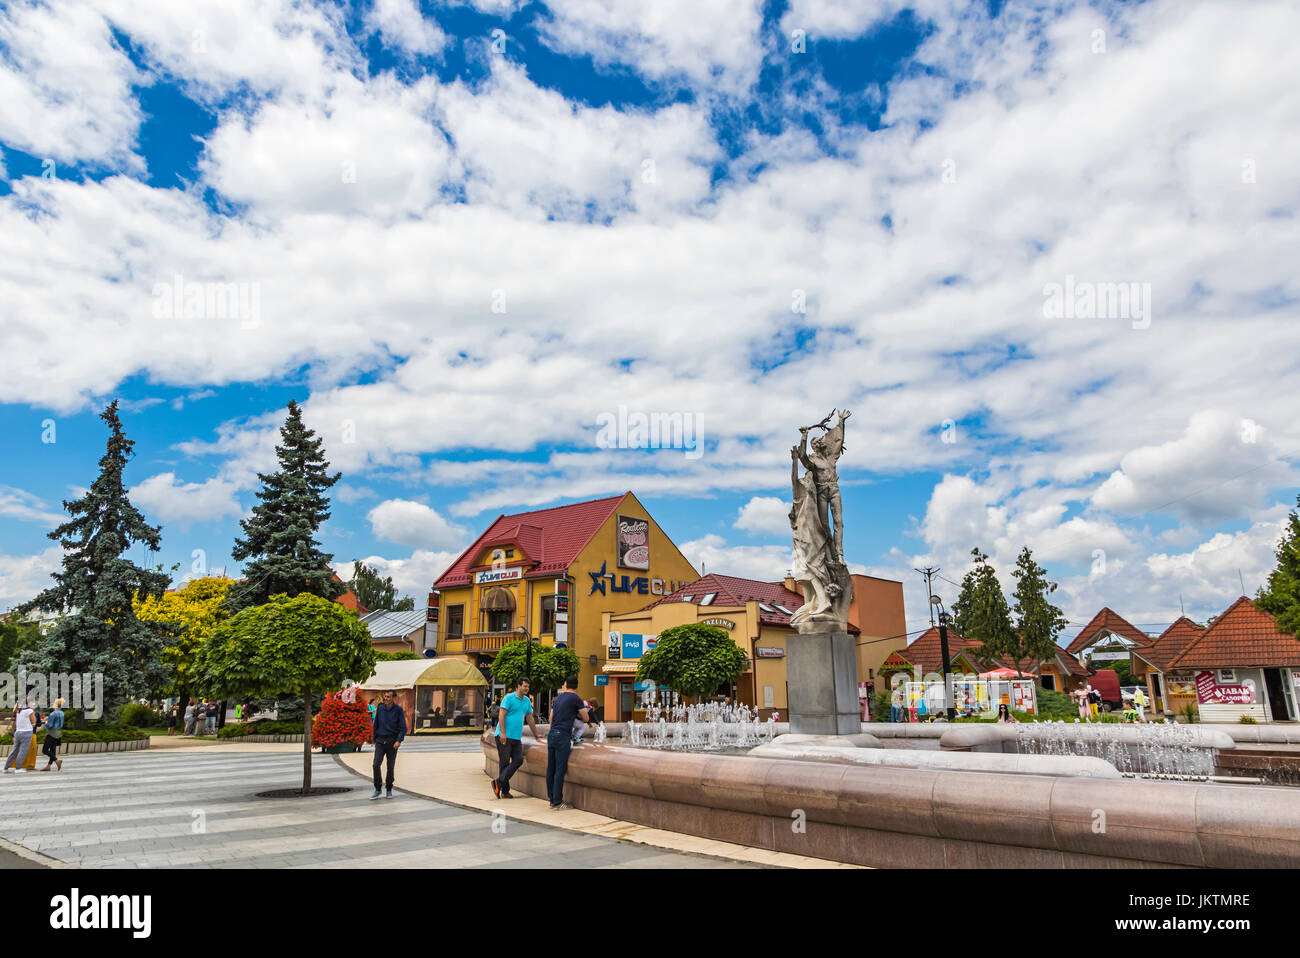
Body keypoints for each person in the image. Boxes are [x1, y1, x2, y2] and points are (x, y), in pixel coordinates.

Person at [546, 676, 589, 810]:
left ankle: (551, 798)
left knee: (550, 768)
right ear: (577, 686)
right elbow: (586, 718)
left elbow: (550, 719)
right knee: (560, 769)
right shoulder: (576, 698)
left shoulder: (558, 698)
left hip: (552, 734)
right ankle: (558, 802)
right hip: (563, 736)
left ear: (566, 684)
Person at [493, 677, 540, 799]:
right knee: (504, 763)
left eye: (528, 687)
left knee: (518, 760)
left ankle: (498, 782)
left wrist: (536, 734)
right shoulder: (508, 698)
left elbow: (530, 718)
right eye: (524, 686)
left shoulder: (526, 701)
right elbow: (501, 716)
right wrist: (503, 733)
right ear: (518, 686)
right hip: (504, 736)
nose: (526, 688)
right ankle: (505, 791)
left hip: (516, 737)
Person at [370, 690, 406, 800]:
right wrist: (374, 739)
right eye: (385, 696)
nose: (386, 698)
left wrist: (398, 741)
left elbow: (403, 728)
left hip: (392, 742)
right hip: (380, 740)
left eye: (389, 697)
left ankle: (389, 789)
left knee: (390, 767)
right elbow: (376, 723)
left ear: (394, 698)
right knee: (376, 764)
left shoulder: (398, 710)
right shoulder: (380, 708)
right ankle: (378, 788)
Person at [4, 701, 37, 772]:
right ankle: (18, 768)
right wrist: (32, 724)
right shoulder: (29, 710)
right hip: (26, 732)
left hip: (17, 732)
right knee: (23, 751)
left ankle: (6, 768)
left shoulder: (18, 711)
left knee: (14, 750)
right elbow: (34, 721)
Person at [40, 698, 65, 772]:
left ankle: (57, 761)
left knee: (44, 750)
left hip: (51, 733)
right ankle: (48, 766)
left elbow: (49, 725)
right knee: (52, 749)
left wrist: (45, 722)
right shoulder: (62, 713)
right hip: (58, 733)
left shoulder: (53, 713)